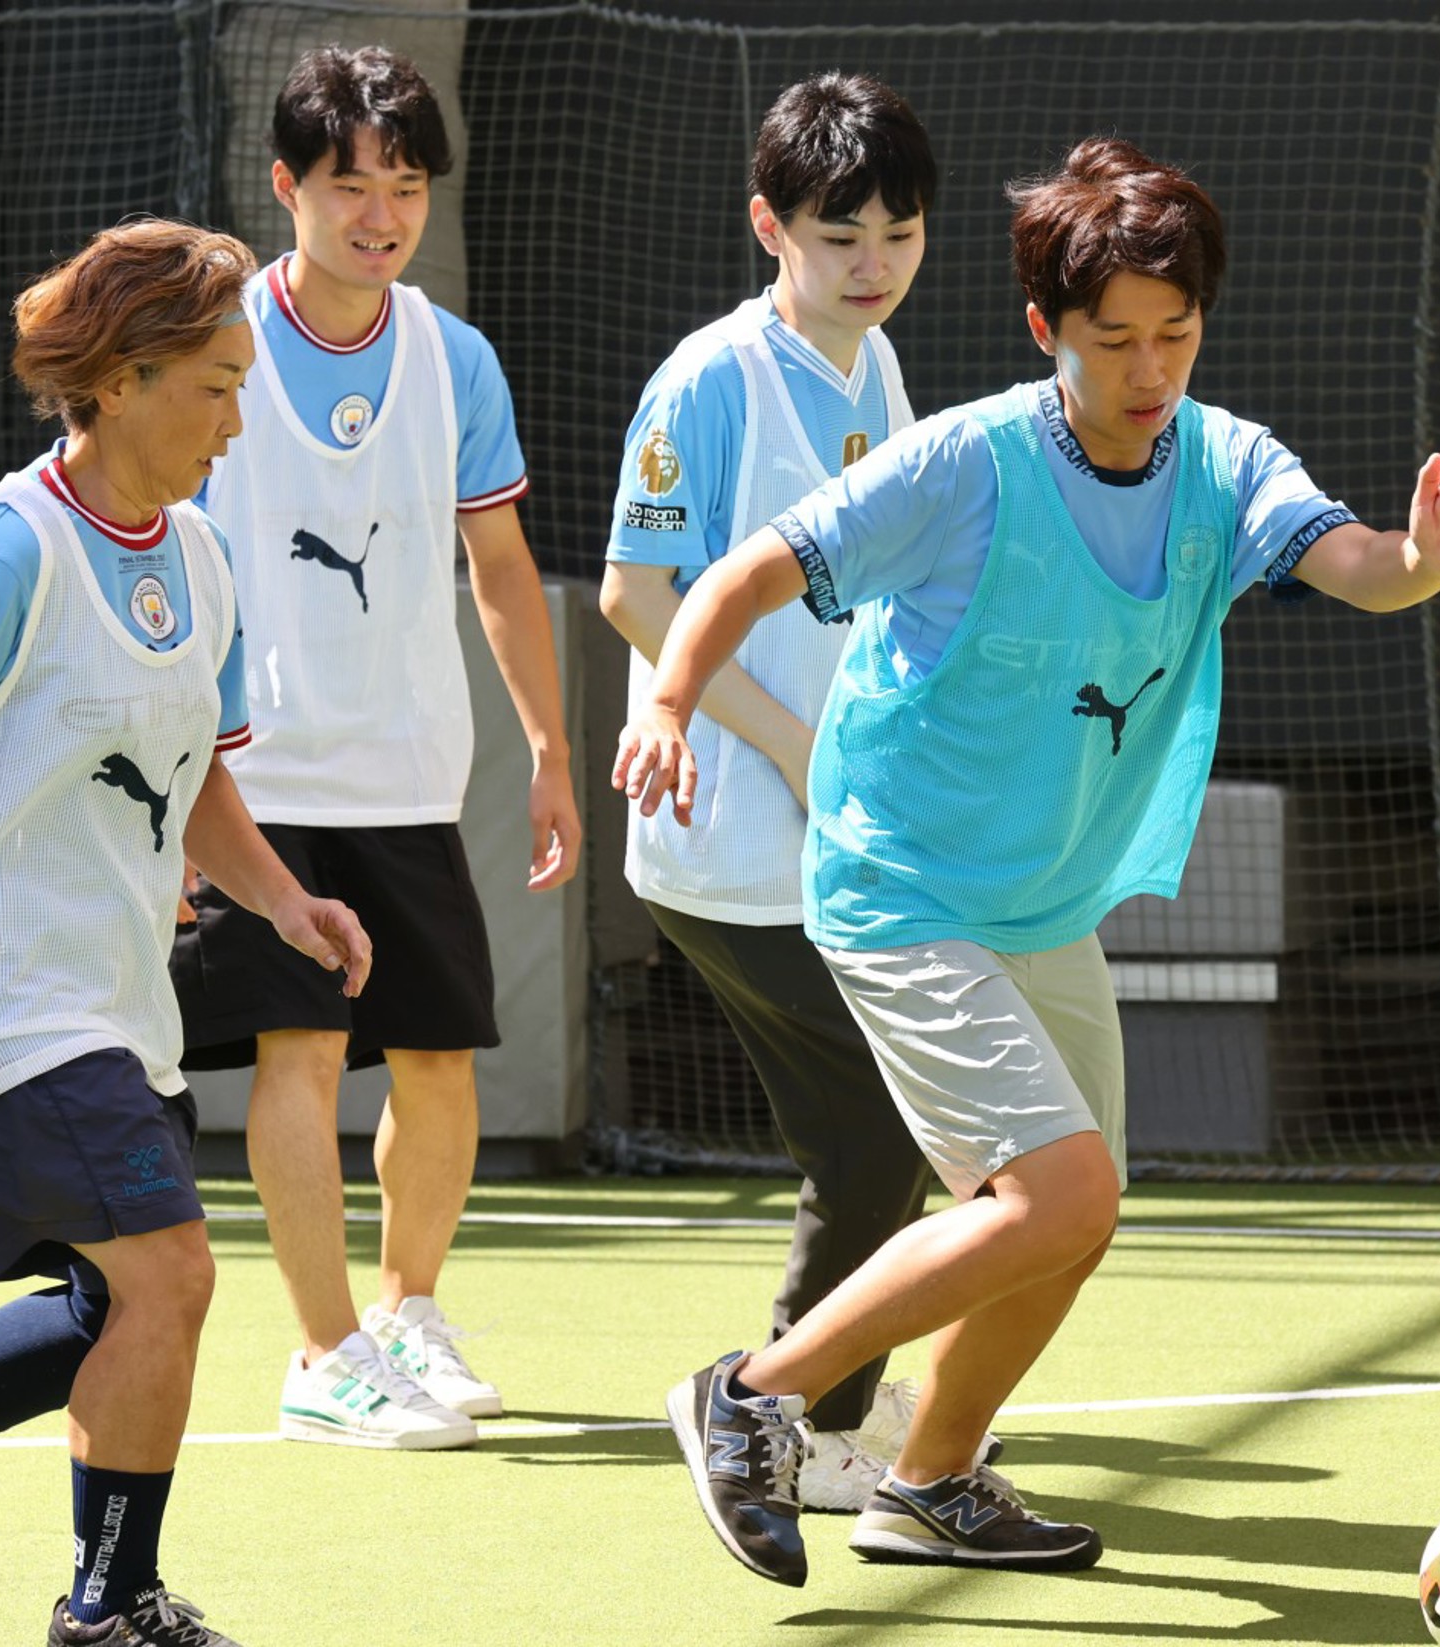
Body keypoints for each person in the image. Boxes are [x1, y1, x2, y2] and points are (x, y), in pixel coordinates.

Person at [617, 138, 1440, 1586]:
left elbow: (1359, 564)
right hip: (899, 884)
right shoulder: (964, 462)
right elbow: (741, 574)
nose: (1151, 367)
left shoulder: (1223, 461)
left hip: (1042, 901)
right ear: (1046, 330)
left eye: (1177, 333)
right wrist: (665, 706)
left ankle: (929, 1482)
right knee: (1061, 1195)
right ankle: (752, 1398)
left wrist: (1427, 563)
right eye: (1115, 338)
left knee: (1068, 1228)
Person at [0, 219, 370, 1647]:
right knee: (169, 1274)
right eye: (217, 386)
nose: (239, 418)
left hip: (114, 998)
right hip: (3, 999)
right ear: (120, 378)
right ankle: (109, 1604)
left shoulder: (208, 559)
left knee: (125, 1300)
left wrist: (283, 896)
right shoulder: (5, 553)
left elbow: (203, 767)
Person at [598, 70, 993, 1511]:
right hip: (729, 850)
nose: (874, 262)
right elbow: (634, 593)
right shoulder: (710, 381)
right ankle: (784, 1416)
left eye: (899, 231)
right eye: (842, 237)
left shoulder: (878, 369)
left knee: (895, 1135)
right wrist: (788, 744)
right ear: (770, 225)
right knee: (883, 1133)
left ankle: (816, 1411)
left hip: (843, 840)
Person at [180, 43, 579, 1449]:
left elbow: (504, 567)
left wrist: (545, 747)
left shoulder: (452, 357)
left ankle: (408, 1313)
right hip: (256, 773)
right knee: (296, 1044)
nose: (381, 215)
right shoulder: (212, 335)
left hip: (410, 771)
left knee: (436, 1058)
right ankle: (322, 1350)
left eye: (405, 188)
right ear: (286, 186)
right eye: (352, 186)